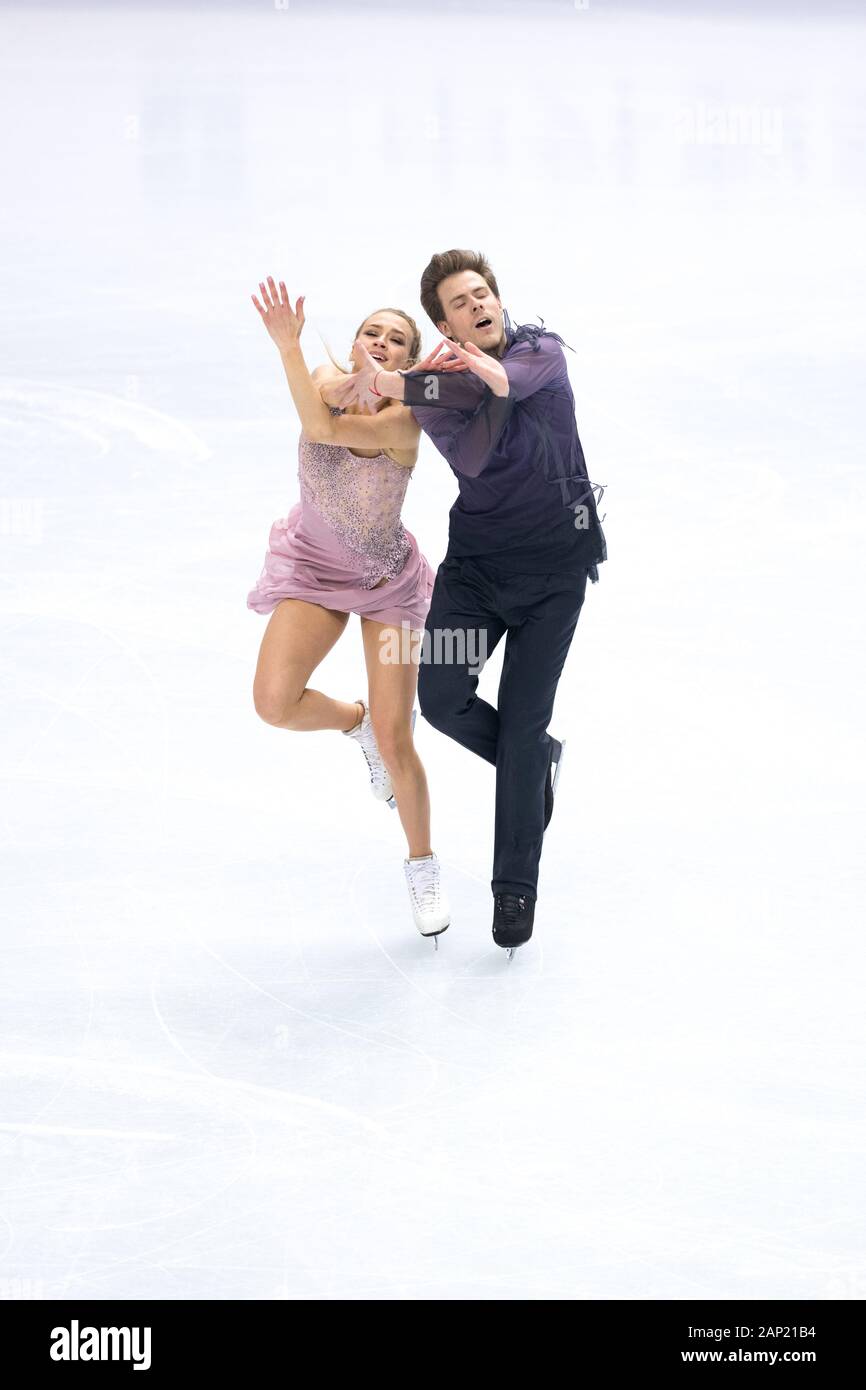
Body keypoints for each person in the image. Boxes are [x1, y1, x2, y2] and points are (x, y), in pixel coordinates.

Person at [337, 250, 607, 956]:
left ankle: (514, 886)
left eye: (482, 293)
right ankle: (534, 762)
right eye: (461, 302)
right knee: (442, 696)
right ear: (443, 323)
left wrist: (452, 376)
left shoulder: (541, 352)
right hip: (478, 576)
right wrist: (391, 378)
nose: (478, 305)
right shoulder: (440, 390)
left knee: (519, 725)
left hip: (556, 576)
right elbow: (452, 415)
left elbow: (509, 381)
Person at [247, 275, 450, 943]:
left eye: (397, 339)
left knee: (400, 741)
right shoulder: (327, 375)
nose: (381, 343)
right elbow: (324, 396)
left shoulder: (404, 420)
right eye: (373, 332)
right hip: (312, 571)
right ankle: (351, 722)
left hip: (387, 583)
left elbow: (318, 425)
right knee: (275, 703)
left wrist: (287, 353)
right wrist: (307, 359)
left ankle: (422, 864)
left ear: (409, 362)